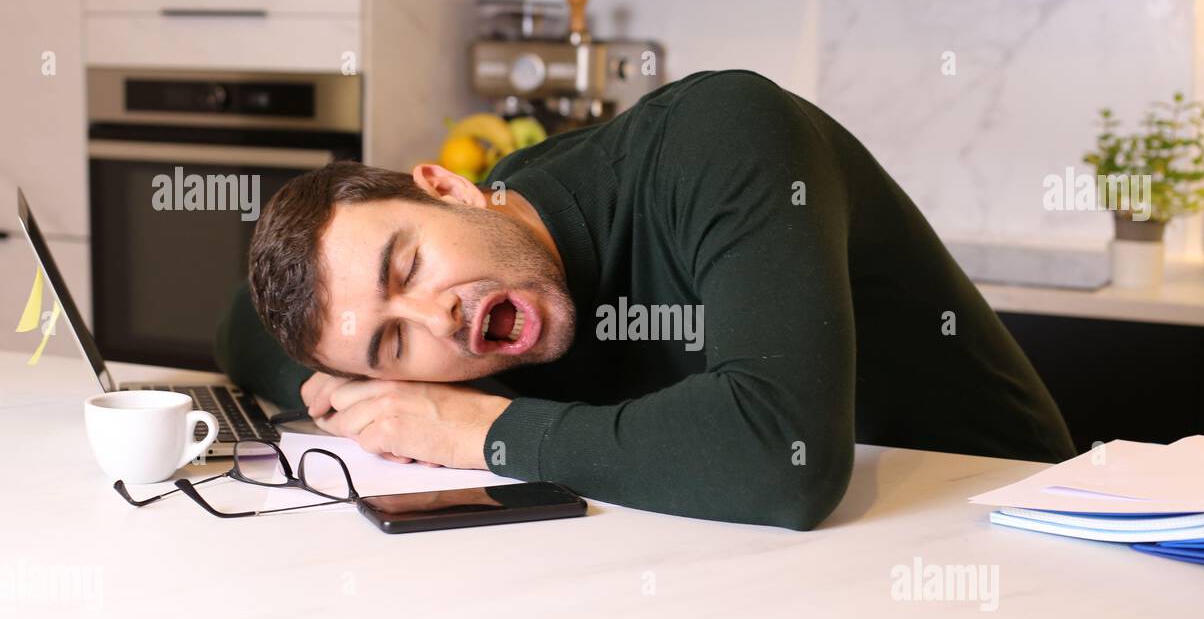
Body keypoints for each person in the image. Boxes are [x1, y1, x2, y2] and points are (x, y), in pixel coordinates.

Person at [216, 70, 1073, 531]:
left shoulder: (723, 135)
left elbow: (785, 459)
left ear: (450, 188)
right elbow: (241, 333)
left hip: (1001, 517)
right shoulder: (451, 324)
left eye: (407, 266)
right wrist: (354, 396)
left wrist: (469, 429)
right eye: (392, 345)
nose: (433, 317)